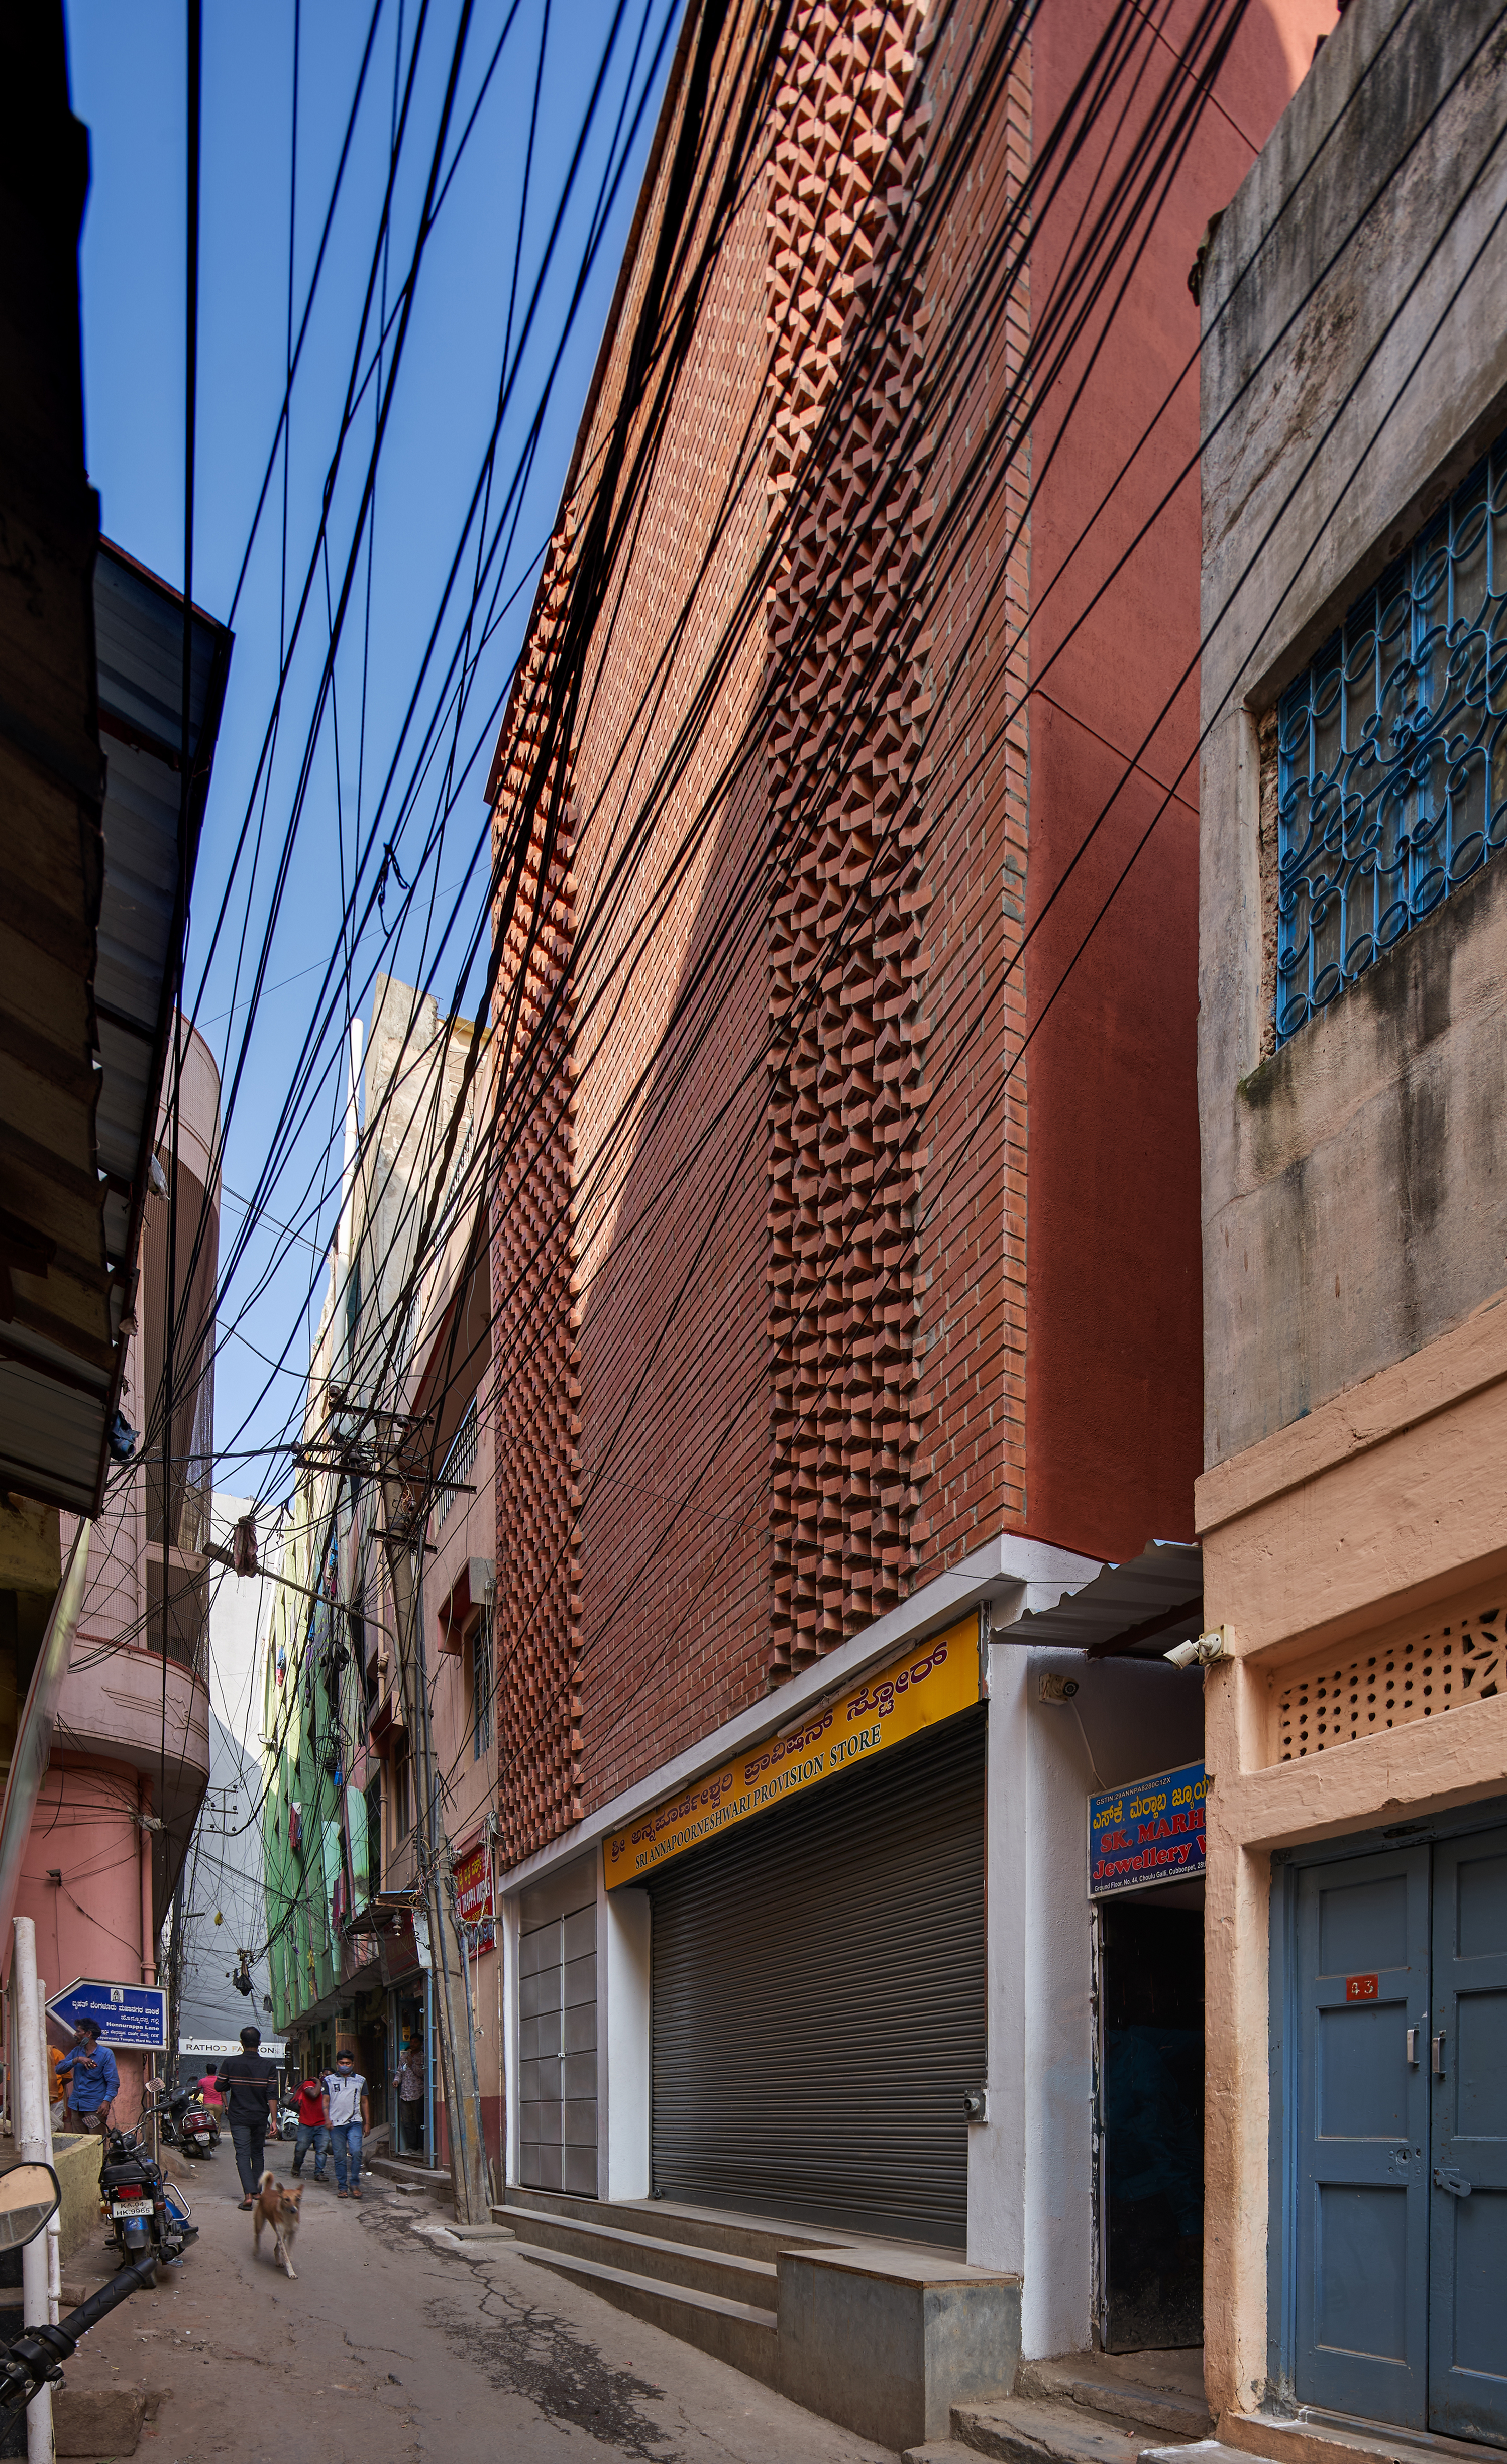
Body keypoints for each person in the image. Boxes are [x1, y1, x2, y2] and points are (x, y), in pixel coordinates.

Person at [215, 2024, 280, 2209]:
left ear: (241, 2043)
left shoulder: (230, 2063)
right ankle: (258, 2192)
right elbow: (272, 2094)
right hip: (260, 2117)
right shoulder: (269, 2066)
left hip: (239, 2117)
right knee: (257, 2153)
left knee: (243, 2154)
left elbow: (219, 2087)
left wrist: (233, 2084)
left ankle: (248, 2196)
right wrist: (274, 2120)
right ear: (259, 2043)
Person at [322, 2048, 369, 2200]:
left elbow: (364, 2102)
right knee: (340, 2157)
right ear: (337, 2064)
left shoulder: (361, 2080)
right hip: (336, 2124)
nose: (345, 2066)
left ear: (353, 2064)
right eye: (342, 2063)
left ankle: (354, 2183)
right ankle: (342, 2187)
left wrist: (367, 2123)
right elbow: (325, 2101)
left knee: (356, 2152)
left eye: (348, 2063)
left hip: (354, 2121)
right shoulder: (329, 2080)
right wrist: (327, 2119)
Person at [56, 2021, 118, 2135]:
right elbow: (59, 2069)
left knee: (96, 2142)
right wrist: (76, 2060)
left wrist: (106, 2102)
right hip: (76, 2106)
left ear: (88, 2034)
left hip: (95, 2108)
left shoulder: (106, 2054)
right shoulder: (77, 2052)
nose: (75, 2034)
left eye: (78, 2031)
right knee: (79, 2143)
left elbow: (113, 2082)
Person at [291, 2067, 330, 2184]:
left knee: (322, 2149)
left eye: (330, 2076)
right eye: (325, 2075)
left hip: (323, 2124)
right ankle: (296, 2166)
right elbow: (314, 2094)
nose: (327, 2078)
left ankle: (319, 2173)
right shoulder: (310, 2083)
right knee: (301, 2148)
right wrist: (319, 2082)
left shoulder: (332, 2087)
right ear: (320, 2074)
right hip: (306, 2123)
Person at [395, 2034, 424, 2154]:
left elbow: (423, 2074)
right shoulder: (404, 2056)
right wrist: (396, 2081)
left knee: (419, 2122)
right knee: (407, 2122)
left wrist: (413, 2064)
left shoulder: (423, 2056)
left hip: (418, 2093)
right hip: (405, 2094)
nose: (413, 2044)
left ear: (421, 2043)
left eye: (416, 2042)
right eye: (411, 2042)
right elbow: (400, 2071)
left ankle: (421, 2148)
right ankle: (411, 2147)